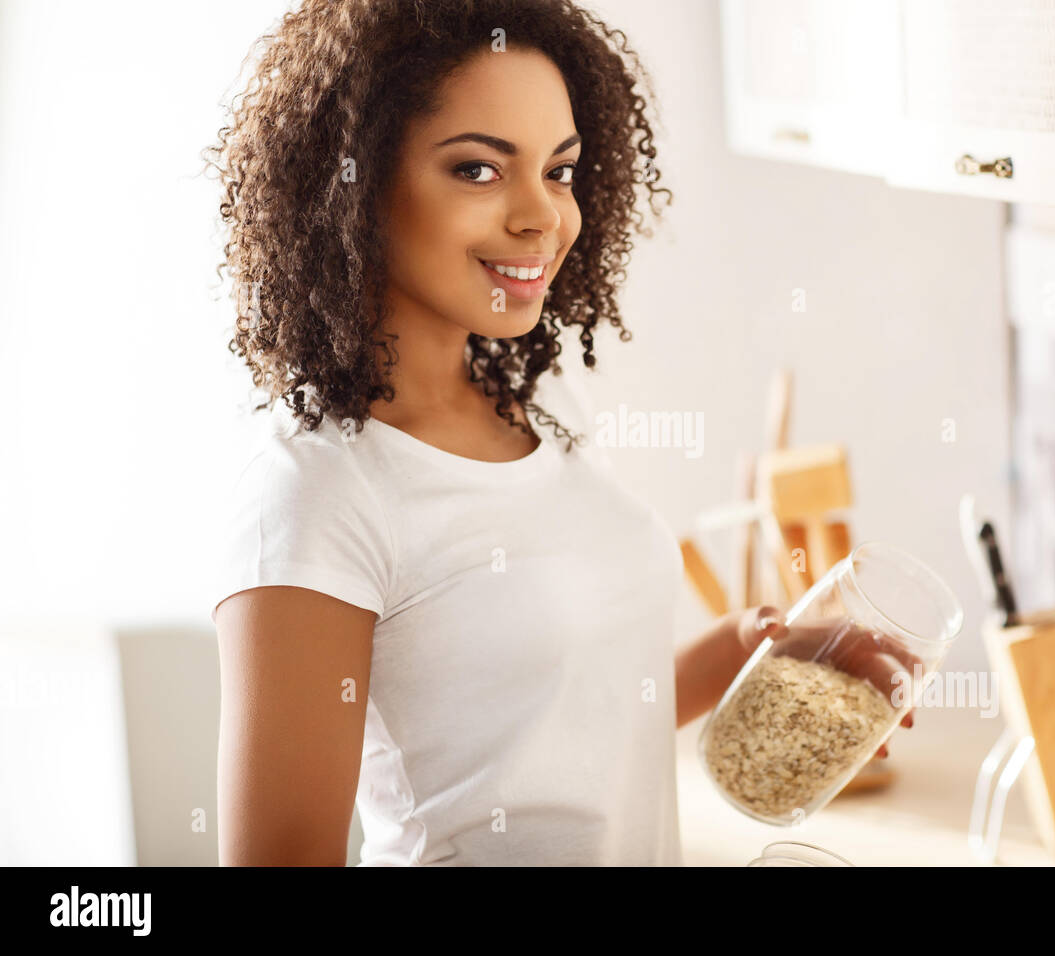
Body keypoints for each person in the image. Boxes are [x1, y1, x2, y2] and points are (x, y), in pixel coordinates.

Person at [205, 0, 906, 867]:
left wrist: (750, 657)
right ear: (350, 181)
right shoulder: (315, 492)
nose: (544, 217)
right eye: (478, 170)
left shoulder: (530, 410)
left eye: (561, 171)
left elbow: (544, 710)